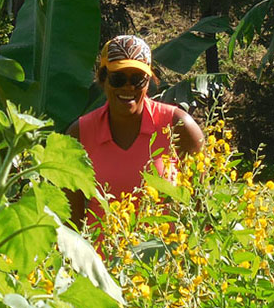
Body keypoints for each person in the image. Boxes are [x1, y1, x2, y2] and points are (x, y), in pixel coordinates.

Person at [66, 34, 205, 228]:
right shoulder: (80, 134)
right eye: (118, 78)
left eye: (138, 79)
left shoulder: (178, 126)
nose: (128, 87)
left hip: (163, 247)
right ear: (103, 79)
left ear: (149, 82)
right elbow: (70, 221)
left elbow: (201, 211)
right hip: (101, 248)